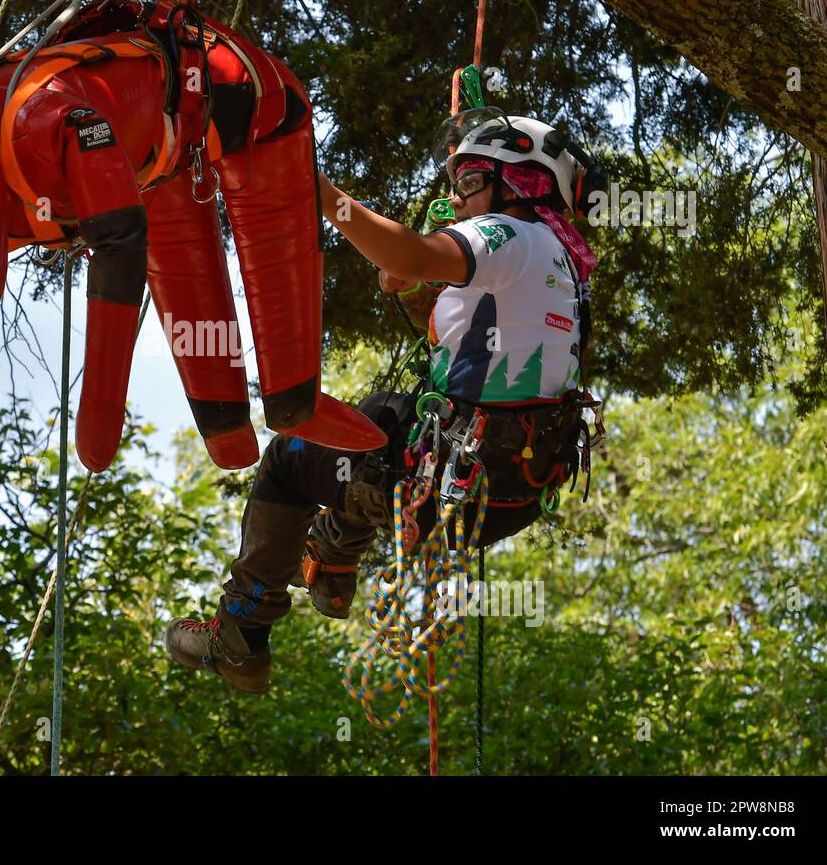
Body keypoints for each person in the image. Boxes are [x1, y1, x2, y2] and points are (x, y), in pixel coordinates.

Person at [164, 108, 601, 693]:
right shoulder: (563, 261)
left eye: (472, 182)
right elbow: (465, 342)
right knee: (375, 417)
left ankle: (242, 631)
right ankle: (335, 560)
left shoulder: (508, 233)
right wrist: (423, 277)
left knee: (292, 458)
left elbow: (411, 255)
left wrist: (324, 196)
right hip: (506, 494)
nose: (462, 199)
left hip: (448, 482)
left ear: (521, 182)